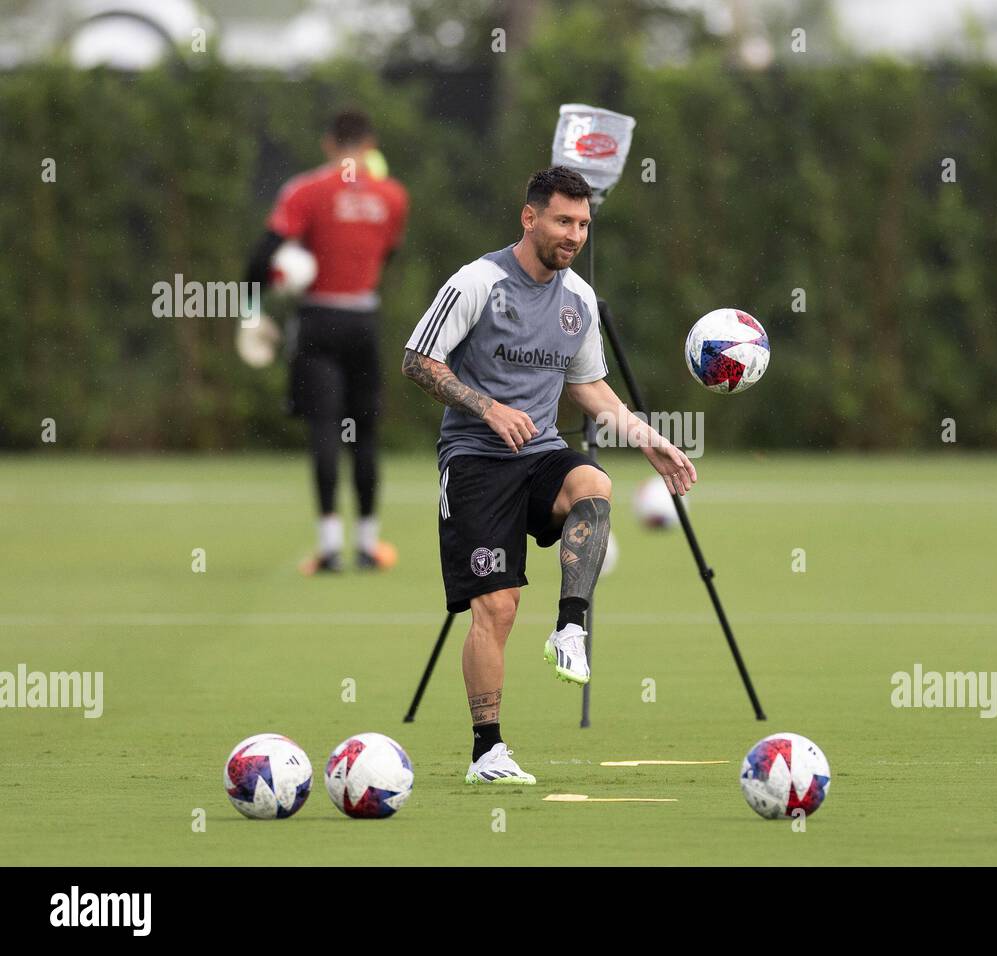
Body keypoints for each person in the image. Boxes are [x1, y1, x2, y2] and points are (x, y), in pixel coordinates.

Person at [401, 165, 697, 785]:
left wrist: (650, 441)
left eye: (584, 223)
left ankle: (570, 626)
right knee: (497, 609)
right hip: (475, 462)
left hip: (540, 455)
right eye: (564, 221)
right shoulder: (477, 282)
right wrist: (486, 406)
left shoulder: (579, 300)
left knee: (594, 484)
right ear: (529, 217)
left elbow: (589, 386)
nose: (575, 234)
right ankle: (488, 752)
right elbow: (416, 359)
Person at [246, 109, 408, 574]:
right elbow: (388, 255)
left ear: (328, 143)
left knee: (324, 430)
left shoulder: (306, 190)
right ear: (371, 143)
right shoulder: (393, 196)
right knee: (366, 435)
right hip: (363, 320)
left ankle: (329, 548)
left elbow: (262, 257)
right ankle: (368, 545)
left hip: (318, 320)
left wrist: (251, 309)